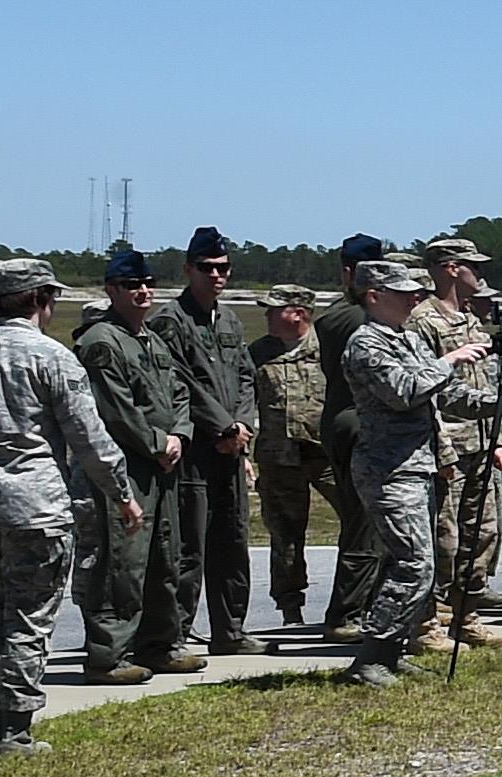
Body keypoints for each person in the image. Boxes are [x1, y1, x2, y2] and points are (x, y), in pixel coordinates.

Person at [0, 259, 145, 753]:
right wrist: (121, 494)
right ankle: (15, 727)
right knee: (30, 617)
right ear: (39, 300)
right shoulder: (51, 356)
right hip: (34, 506)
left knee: (0, 607)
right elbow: (89, 438)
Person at [329, 254, 488, 688]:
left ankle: (392, 650)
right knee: (413, 563)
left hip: (420, 464)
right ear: (374, 296)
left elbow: (447, 396)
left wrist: (496, 400)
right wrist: (450, 360)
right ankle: (370, 658)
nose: (414, 298)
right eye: (404, 294)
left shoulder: (408, 340)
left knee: (417, 562)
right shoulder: (366, 343)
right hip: (387, 468)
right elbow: (403, 391)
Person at [68, 246, 190, 683]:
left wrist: (179, 435)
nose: (142, 292)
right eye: (130, 286)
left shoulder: (153, 339)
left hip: (163, 464)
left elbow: (179, 392)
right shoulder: (101, 342)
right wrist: (157, 442)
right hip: (127, 466)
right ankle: (108, 656)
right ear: (111, 290)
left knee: (164, 556)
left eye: (146, 284)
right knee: (122, 562)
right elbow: (115, 410)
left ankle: (159, 645)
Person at [161, 228, 259, 655]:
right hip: (198, 449)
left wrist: (241, 427)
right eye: (207, 268)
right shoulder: (171, 320)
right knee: (190, 547)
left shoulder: (231, 319)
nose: (216, 276)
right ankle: (176, 633)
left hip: (232, 449)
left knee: (233, 541)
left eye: (223, 268)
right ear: (188, 269)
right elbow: (180, 382)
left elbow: (245, 378)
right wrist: (222, 428)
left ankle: (230, 630)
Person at [422, 239, 502, 650]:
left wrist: (495, 436)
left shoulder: (470, 321)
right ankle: (426, 623)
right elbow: (427, 393)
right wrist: (442, 451)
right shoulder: (423, 322)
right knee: (443, 539)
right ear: (449, 268)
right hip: (447, 447)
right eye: (472, 267)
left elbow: (483, 385)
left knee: (482, 533)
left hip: (479, 442)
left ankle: (468, 614)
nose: (480, 275)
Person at [308, 236, 384, 634]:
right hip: (355, 422)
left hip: (350, 419)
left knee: (370, 521)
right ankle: (347, 612)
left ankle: (364, 606)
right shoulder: (353, 318)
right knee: (363, 522)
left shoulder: (343, 313)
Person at [247, 288, 329, 632]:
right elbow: (243, 403)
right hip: (278, 457)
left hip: (326, 455)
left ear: (298, 313)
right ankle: (290, 610)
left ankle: (354, 604)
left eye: (274, 310)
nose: (266, 316)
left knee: (360, 524)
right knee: (285, 537)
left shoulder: (328, 348)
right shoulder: (258, 353)